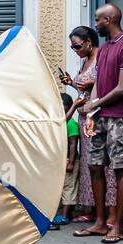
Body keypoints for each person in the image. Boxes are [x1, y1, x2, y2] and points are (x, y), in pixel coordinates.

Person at [74, 5, 123, 244]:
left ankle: (118, 226)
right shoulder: (103, 50)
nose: (95, 25)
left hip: (122, 116)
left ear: (109, 19)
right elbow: (100, 83)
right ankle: (100, 222)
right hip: (101, 116)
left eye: (98, 20)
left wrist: (95, 104)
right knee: (94, 165)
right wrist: (93, 112)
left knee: (121, 168)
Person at [61, 27, 117, 225]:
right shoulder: (85, 60)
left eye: (77, 46)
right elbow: (84, 89)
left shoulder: (102, 57)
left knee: (106, 167)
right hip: (85, 119)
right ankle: (93, 210)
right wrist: (71, 83)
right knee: (89, 166)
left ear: (89, 42)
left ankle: (111, 214)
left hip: (100, 118)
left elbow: (113, 83)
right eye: (72, 47)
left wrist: (92, 83)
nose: (75, 50)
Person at [52, 93, 80, 229]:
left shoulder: (71, 124)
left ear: (67, 107)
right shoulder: (59, 121)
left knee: (69, 187)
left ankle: (64, 215)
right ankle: (65, 213)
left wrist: (71, 162)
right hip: (61, 160)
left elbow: (73, 144)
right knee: (61, 187)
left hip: (70, 159)